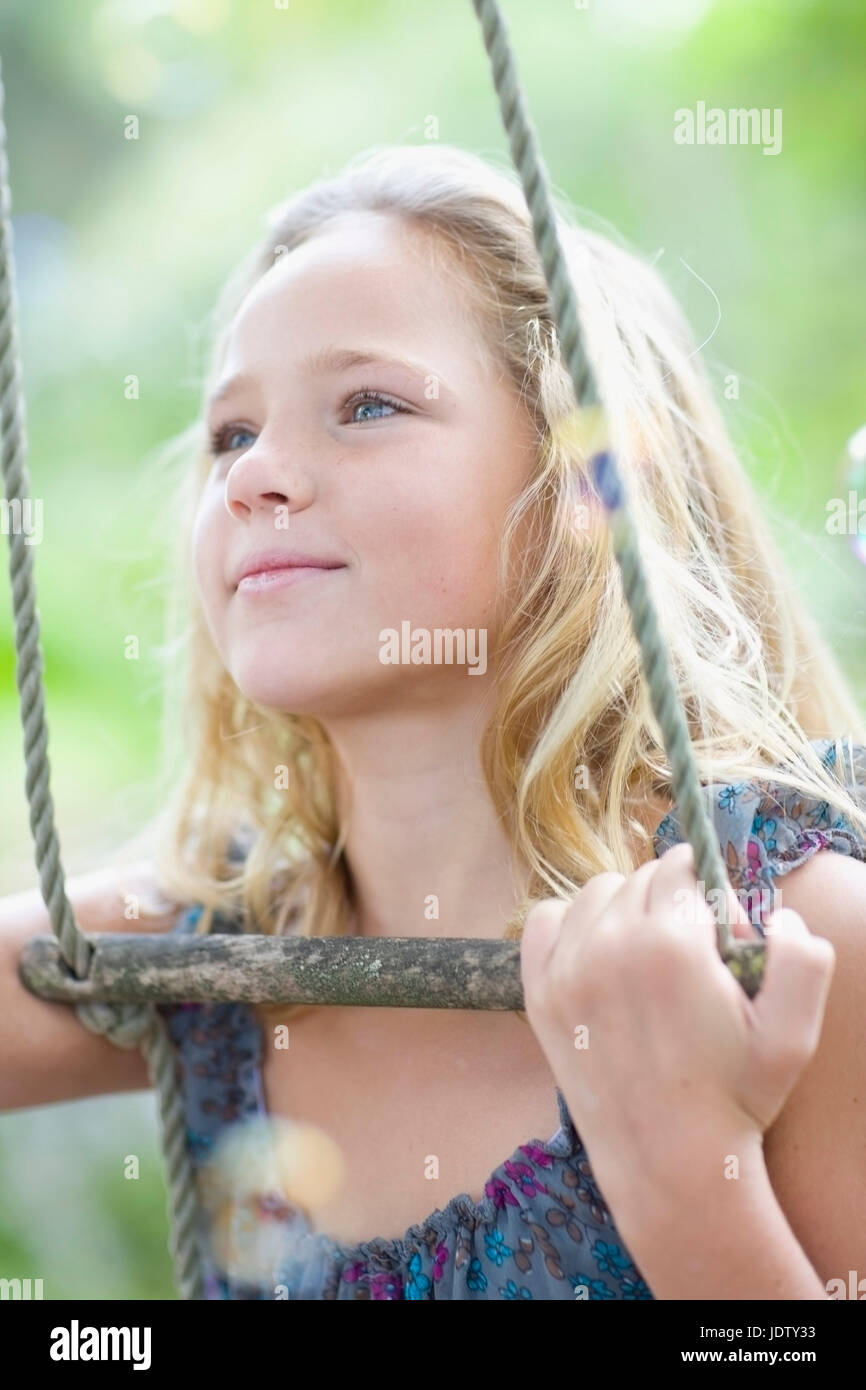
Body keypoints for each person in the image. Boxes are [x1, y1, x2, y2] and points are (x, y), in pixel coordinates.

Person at [2, 143, 866, 1301]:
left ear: (578, 488)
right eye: (229, 435)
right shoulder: (213, 946)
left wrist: (680, 1172)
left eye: (367, 404)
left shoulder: (788, 937)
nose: (257, 474)